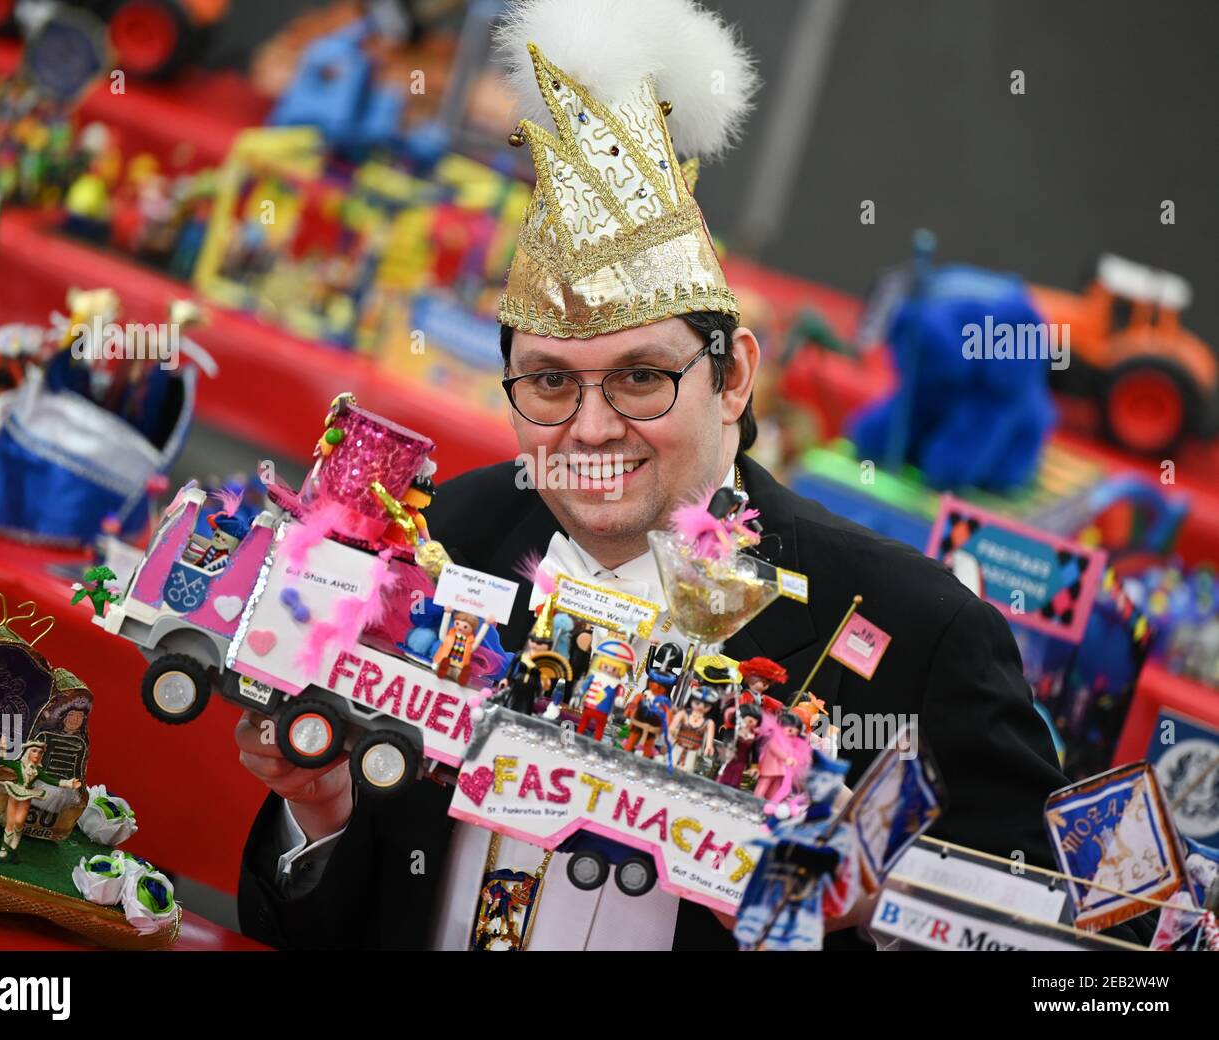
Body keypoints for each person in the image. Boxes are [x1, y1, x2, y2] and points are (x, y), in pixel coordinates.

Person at [235, 0, 1068, 951]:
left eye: (640, 376)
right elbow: (298, 921)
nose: (591, 430)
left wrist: (842, 921)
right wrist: (323, 814)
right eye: (550, 381)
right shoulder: (441, 539)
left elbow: (1045, 943)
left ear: (734, 377)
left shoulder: (919, 636)